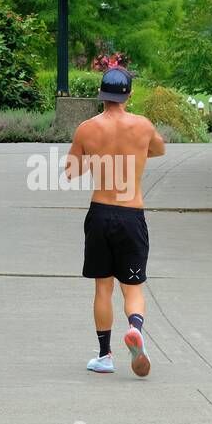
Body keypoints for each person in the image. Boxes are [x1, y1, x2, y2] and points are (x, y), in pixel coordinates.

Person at [64, 64, 166, 377]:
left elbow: (72, 171)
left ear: (101, 94)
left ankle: (104, 355)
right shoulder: (143, 126)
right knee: (133, 288)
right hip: (131, 214)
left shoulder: (86, 128)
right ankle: (136, 329)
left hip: (100, 213)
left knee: (102, 289)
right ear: (129, 95)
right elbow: (158, 150)